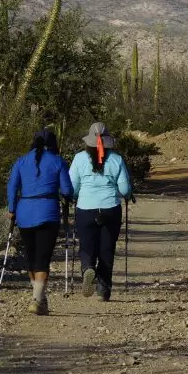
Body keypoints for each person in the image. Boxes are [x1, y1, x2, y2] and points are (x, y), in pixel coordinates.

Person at [6, 128, 73, 315]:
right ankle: (37, 299)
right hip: (48, 212)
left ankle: (39, 298)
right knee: (43, 258)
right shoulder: (58, 161)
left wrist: (12, 209)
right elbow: (67, 190)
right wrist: (68, 197)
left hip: (24, 213)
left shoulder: (21, 161)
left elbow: (12, 186)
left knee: (31, 256)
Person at [69, 122, 133, 302]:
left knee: (87, 244)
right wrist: (127, 194)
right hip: (110, 208)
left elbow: (72, 187)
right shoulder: (117, 159)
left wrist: (74, 196)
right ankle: (104, 287)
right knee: (107, 248)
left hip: (85, 208)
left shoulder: (79, 158)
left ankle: (88, 267)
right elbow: (125, 189)